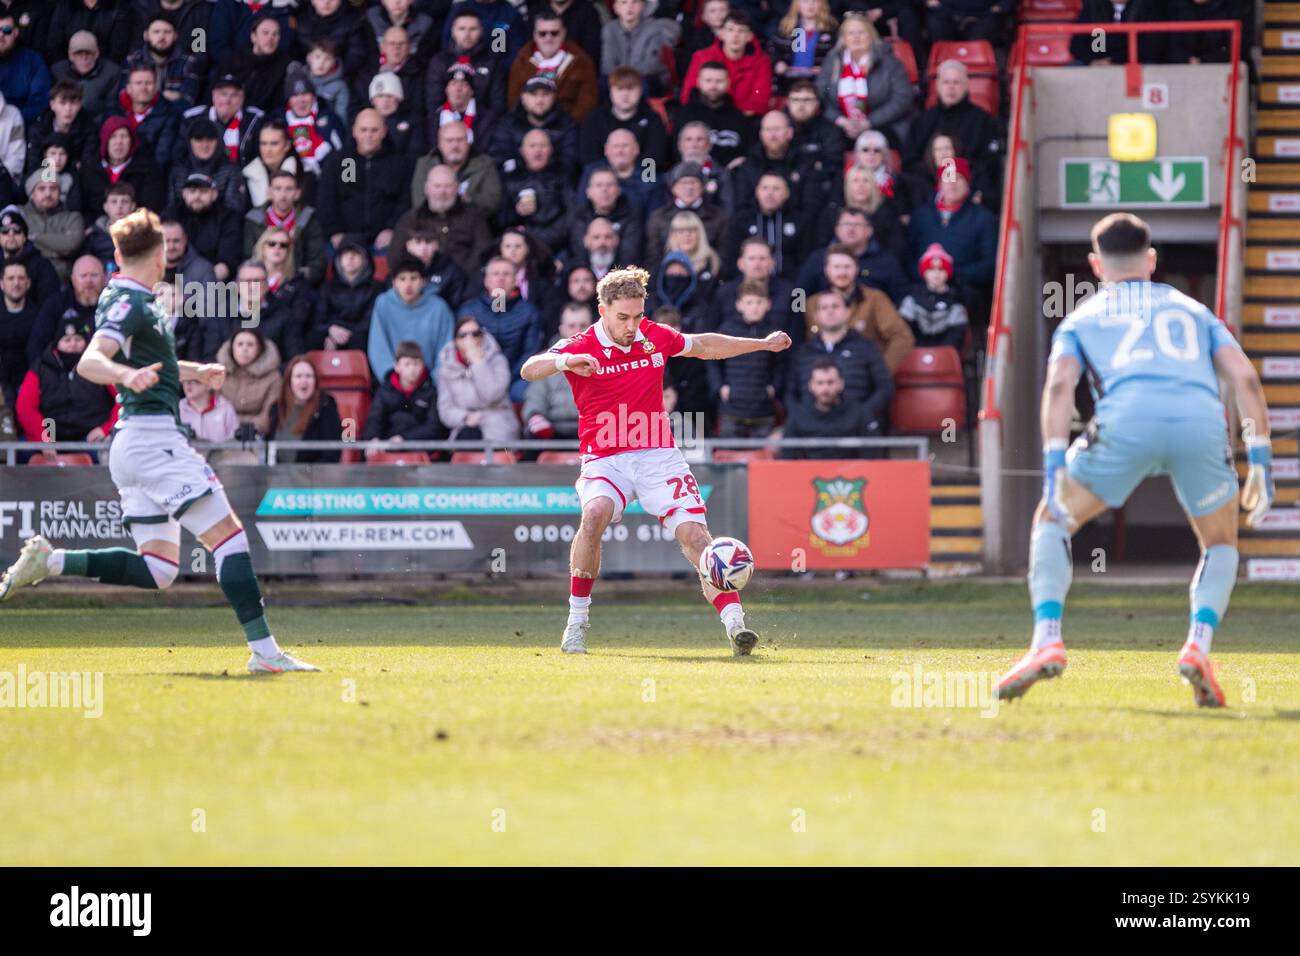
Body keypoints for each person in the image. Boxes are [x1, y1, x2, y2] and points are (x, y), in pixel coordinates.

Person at [0, 208, 318, 673]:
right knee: (230, 541)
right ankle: (266, 656)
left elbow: (142, 356)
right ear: (162, 253)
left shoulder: (124, 295)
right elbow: (91, 361)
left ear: (115, 254)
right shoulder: (132, 303)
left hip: (130, 446)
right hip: (154, 441)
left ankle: (51, 561)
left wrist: (193, 371)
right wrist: (125, 373)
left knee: (160, 569)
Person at [997, 212, 1275, 708]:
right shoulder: (1194, 310)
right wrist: (1260, 459)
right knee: (1219, 541)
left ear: (1095, 265)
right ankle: (1199, 645)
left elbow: (1060, 385)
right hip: (1201, 425)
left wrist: (1054, 464)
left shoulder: (1081, 318)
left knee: (1052, 522)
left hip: (1124, 424)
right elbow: (1246, 381)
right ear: (1151, 261)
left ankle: (1047, 639)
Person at [519, 266, 793, 656]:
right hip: (606, 458)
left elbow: (704, 345)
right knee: (594, 514)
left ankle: (737, 628)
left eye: (638, 315)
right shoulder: (580, 345)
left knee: (697, 538)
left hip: (658, 456)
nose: (632, 326)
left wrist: (761, 343)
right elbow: (529, 370)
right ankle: (576, 622)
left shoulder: (654, 334)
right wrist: (566, 362)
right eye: (623, 317)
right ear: (602, 309)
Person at [786, 289, 892, 418]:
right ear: (816, 316)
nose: (830, 311)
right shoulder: (803, 352)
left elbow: (884, 388)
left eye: (835, 306)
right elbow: (789, 393)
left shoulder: (867, 348)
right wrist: (800, 419)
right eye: (823, 308)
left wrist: (863, 416)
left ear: (848, 312)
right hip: (810, 429)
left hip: (856, 428)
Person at [814, 14, 913, 149]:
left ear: (871, 36)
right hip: (841, 125)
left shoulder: (889, 62)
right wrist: (841, 121)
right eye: (851, 33)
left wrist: (869, 122)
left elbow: (903, 98)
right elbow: (819, 95)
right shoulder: (833, 60)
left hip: (883, 124)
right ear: (843, 38)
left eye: (861, 32)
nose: (856, 37)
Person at [459, 257, 544, 403]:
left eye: (506, 274)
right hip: (477, 376)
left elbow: (530, 352)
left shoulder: (529, 312)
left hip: (515, 379)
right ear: (486, 280)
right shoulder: (469, 310)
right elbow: (461, 350)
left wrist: (504, 380)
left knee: (527, 391)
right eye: (495, 274)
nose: (500, 278)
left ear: (515, 280)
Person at [708, 280, 784, 437]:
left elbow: (780, 364)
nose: (754, 307)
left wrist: (773, 388)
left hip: (763, 410)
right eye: (749, 302)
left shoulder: (774, 332)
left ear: (768, 304)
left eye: (759, 302)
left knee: (764, 459)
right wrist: (720, 387)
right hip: (731, 410)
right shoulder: (727, 330)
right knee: (728, 459)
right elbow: (713, 361)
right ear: (739, 305)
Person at [367, 256, 455, 383]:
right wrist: (393, 380)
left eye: (414, 278)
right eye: (402, 279)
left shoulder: (439, 307)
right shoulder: (383, 303)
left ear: (423, 282)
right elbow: (378, 348)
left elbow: (447, 349)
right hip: (393, 382)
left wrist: (432, 381)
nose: (408, 285)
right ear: (394, 283)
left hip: (431, 384)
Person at [436, 313, 520, 442]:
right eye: (463, 335)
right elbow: (445, 409)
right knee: (467, 439)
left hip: (499, 423)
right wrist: (465, 417)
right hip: (465, 427)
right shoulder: (446, 369)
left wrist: (478, 363)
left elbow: (491, 395)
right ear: (455, 341)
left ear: (482, 336)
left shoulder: (498, 361)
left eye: (475, 334)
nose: (470, 339)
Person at [779, 358, 881, 459]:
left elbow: (872, 455)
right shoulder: (798, 416)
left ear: (841, 383)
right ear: (811, 385)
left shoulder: (860, 413)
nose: (825, 389)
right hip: (808, 473)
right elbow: (787, 456)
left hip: (851, 473)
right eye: (820, 383)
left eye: (830, 382)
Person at [507, 11, 597, 124]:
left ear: (563, 33)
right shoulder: (521, 61)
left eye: (554, 33)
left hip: (569, 128)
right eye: (542, 33)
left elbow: (587, 104)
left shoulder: (581, 61)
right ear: (534, 35)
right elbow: (514, 101)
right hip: (528, 128)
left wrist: (566, 125)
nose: (548, 38)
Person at [680, 11, 773, 117]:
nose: (735, 35)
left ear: (749, 36)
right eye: (730, 30)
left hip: (743, 119)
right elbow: (687, 95)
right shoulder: (701, 57)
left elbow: (759, 102)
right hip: (703, 115)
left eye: (741, 31)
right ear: (721, 34)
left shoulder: (761, 62)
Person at [523, 302, 591, 444]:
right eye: (572, 326)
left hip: (594, 429)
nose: (578, 331)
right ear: (562, 329)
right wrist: (536, 417)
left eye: (583, 326)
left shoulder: (606, 359)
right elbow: (535, 398)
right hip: (553, 430)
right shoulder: (545, 360)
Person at [578, 66, 670, 169]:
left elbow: (655, 158)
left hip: (642, 178)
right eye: (620, 89)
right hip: (604, 179)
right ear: (610, 92)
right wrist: (611, 176)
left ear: (640, 91)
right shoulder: (596, 119)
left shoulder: (653, 119)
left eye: (630, 89)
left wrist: (633, 176)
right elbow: (588, 157)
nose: (625, 94)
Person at [361, 339, 447, 446]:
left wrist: (405, 439)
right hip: (388, 445)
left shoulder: (431, 392)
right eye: (407, 364)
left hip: (420, 447)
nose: (412, 369)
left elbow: (433, 426)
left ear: (422, 366)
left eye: (416, 364)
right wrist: (372, 438)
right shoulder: (385, 391)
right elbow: (375, 419)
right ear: (397, 366)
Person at [266, 355, 342, 464]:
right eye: (298, 376)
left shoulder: (326, 407)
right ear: (289, 381)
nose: (304, 381)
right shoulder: (277, 409)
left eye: (309, 376)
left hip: (311, 478)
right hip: (277, 477)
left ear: (315, 381)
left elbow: (332, 454)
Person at [307, 240, 379, 353]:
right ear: (338, 259)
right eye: (345, 253)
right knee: (314, 338)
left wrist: (343, 332)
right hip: (331, 332)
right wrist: (331, 329)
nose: (350, 257)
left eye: (356, 253)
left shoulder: (375, 288)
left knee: (360, 340)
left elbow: (370, 322)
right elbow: (319, 319)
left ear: (365, 259)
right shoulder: (327, 287)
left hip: (359, 336)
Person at [600, 0, 681, 96]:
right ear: (616, 8)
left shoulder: (654, 27)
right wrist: (622, 78)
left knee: (644, 84)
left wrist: (627, 77)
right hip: (617, 77)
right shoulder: (609, 29)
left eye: (635, 2)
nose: (629, 7)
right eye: (624, 2)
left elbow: (651, 65)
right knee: (603, 83)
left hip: (647, 77)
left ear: (643, 6)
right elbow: (607, 64)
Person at [898, 243, 970, 349]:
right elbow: (903, 330)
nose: (936, 274)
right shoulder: (912, 299)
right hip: (914, 353)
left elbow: (956, 336)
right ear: (924, 273)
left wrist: (939, 354)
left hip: (945, 356)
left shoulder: (955, 301)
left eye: (941, 270)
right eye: (931, 269)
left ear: (947, 273)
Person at [218, 326, 282, 438]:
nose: (244, 349)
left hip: (258, 438)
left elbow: (267, 418)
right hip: (220, 436)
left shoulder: (273, 378)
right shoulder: (218, 374)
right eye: (240, 344)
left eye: (250, 345)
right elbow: (215, 415)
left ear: (260, 349)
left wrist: (233, 423)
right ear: (231, 348)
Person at [768, 0, 838, 94]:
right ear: (796, 5)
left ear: (822, 4)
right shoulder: (786, 28)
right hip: (787, 82)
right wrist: (777, 63)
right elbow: (772, 49)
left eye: (815, 1)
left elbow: (837, 55)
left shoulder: (831, 30)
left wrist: (825, 69)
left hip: (819, 83)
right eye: (805, 1)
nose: (810, 5)